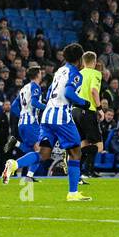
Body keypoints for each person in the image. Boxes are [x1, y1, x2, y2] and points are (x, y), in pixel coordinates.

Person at [39, 43, 92, 201]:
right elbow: (69, 93)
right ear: (79, 59)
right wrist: (84, 103)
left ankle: (15, 164)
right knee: (76, 152)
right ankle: (73, 193)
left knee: (44, 154)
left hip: (48, 113)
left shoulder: (60, 70)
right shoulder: (76, 73)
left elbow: (49, 92)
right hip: (61, 116)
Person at [2, 65, 51, 183]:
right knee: (41, 151)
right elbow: (34, 102)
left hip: (22, 124)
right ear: (38, 75)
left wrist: (22, 117)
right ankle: (13, 164)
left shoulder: (24, 88)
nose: (41, 74)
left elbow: (14, 107)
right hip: (31, 123)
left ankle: (29, 175)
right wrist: (48, 107)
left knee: (32, 150)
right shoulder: (35, 87)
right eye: (40, 72)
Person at [76, 50, 104, 179]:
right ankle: (86, 170)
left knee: (85, 142)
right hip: (88, 111)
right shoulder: (96, 74)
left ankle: (84, 171)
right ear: (94, 61)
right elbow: (94, 90)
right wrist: (99, 108)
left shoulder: (78, 74)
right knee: (98, 146)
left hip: (75, 111)